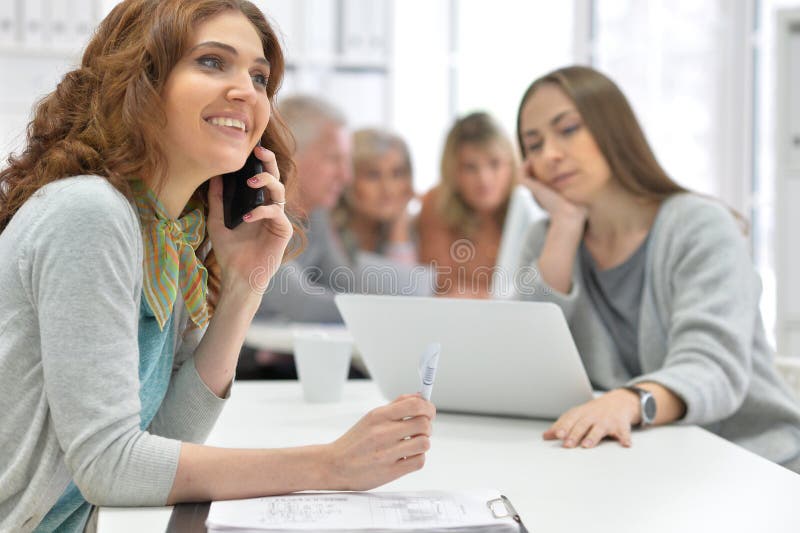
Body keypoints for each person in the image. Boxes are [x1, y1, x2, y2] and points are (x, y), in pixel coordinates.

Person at [0, 1, 434, 531]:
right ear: (141, 80)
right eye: (211, 62)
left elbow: (164, 442)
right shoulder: (88, 213)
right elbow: (110, 467)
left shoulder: (170, 235)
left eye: (259, 76)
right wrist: (330, 464)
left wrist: (246, 285)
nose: (246, 91)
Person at [514, 65, 800, 472]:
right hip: (645, 466)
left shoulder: (700, 226)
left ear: (613, 130)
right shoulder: (547, 240)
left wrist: (629, 402)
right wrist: (563, 227)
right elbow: (524, 364)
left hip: (752, 462)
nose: (550, 154)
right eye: (534, 144)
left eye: (569, 129)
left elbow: (712, 367)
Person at [255, 94, 354, 323]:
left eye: (347, 160)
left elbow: (347, 285)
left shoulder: (315, 213)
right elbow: (301, 304)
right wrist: (393, 314)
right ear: (290, 154)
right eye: (333, 159)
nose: (346, 175)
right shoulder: (258, 209)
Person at [418, 112, 519, 298]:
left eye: (495, 164)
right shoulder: (437, 203)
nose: (484, 179)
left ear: (511, 165)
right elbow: (442, 287)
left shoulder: (527, 205)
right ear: (453, 171)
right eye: (470, 167)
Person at [332, 128, 417, 265]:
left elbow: (405, 285)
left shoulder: (418, 230)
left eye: (397, 174)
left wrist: (399, 227)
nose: (388, 189)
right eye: (373, 175)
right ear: (347, 177)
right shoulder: (327, 230)